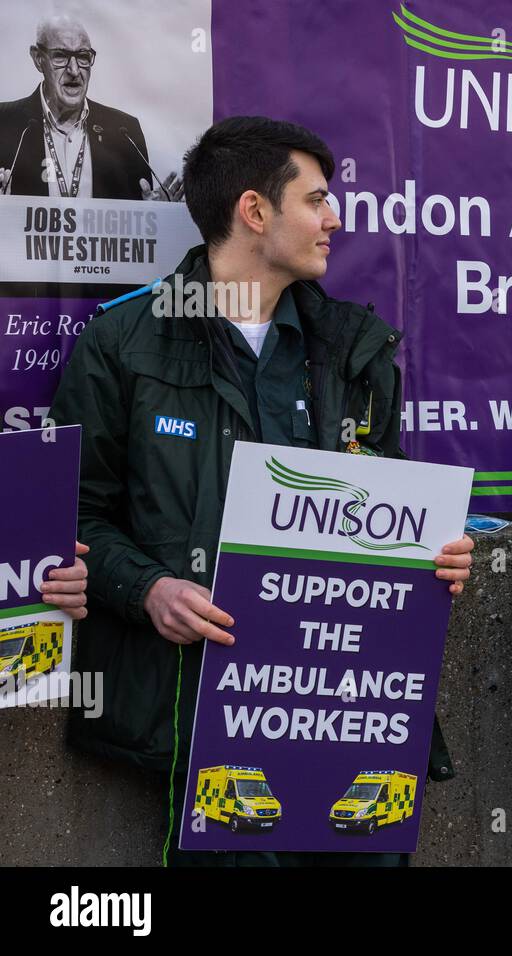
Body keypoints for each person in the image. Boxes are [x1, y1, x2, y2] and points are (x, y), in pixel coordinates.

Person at [48, 116, 474, 866]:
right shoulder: (123, 344)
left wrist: (438, 556)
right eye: (315, 200)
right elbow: (73, 519)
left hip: (353, 710)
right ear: (254, 211)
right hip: (206, 718)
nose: (334, 218)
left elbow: (388, 508)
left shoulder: (352, 348)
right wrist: (147, 589)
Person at [0, 14, 180, 200]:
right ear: (38, 59)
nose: (74, 71)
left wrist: (156, 213)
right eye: (60, 56)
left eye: (83, 57)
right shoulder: (4, 123)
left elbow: (137, 214)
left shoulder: (125, 131)